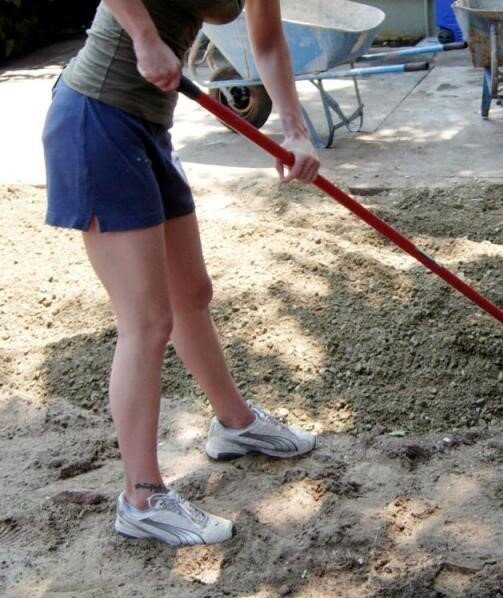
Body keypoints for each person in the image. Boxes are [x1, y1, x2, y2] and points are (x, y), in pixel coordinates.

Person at [41, 0, 321, 547]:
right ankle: (142, 499)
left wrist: (295, 130)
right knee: (146, 322)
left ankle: (235, 426)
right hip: (97, 117)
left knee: (191, 293)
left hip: (147, 123)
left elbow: (265, 43)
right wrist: (144, 36)